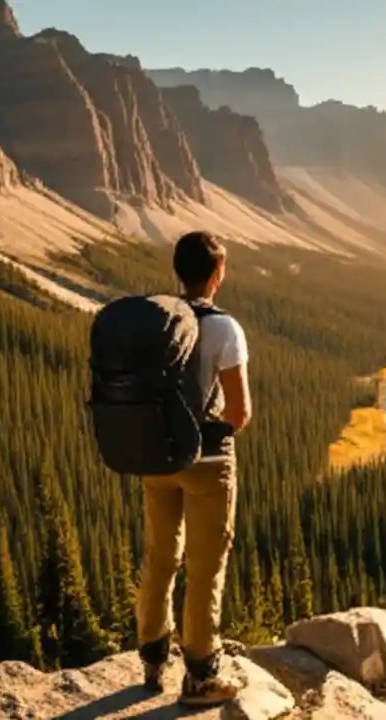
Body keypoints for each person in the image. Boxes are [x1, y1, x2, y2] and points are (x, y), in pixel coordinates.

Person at [135, 231, 252, 705]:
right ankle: (201, 675)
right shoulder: (225, 328)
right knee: (205, 568)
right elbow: (239, 412)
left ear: (178, 272)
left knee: (160, 557)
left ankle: (151, 657)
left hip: (157, 458)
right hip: (208, 464)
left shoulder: (157, 320)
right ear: (216, 274)